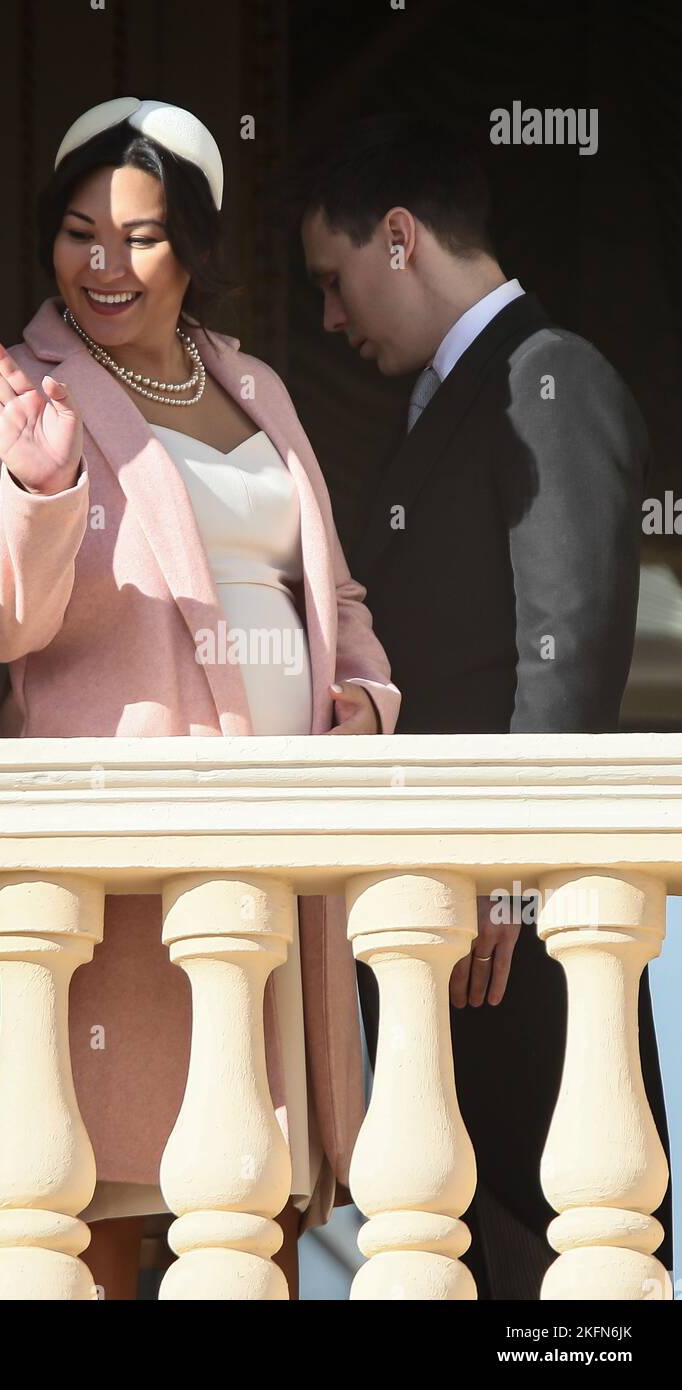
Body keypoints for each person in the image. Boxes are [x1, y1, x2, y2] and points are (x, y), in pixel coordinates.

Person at [0, 97, 401, 1300]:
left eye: (141, 235)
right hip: (126, 854)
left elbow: (329, 585)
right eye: (79, 232)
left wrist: (362, 690)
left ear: (192, 248)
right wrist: (41, 488)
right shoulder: (12, 390)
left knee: (266, 1194)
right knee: (104, 1194)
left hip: (279, 843)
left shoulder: (252, 384)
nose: (104, 263)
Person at [299, 113, 672, 1299]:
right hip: (450, 931)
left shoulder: (545, 374)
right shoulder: (452, 402)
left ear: (397, 238)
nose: (329, 318)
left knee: (548, 1250)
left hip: (517, 937)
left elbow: (569, 659)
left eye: (335, 277)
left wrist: (511, 867)